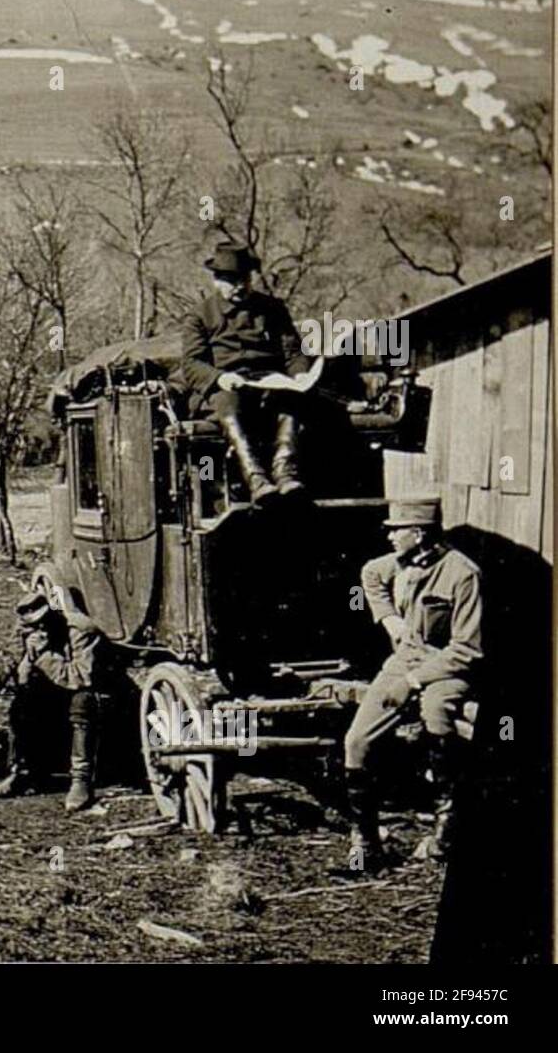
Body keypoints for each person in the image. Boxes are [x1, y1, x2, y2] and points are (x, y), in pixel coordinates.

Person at [344, 497, 483, 871]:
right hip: (404, 660)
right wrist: (390, 620)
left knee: (438, 717)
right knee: (356, 741)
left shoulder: (462, 574)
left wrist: (413, 680)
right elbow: (369, 575)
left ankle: (445, 838)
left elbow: (468, 649)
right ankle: (366, 845)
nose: (390, 537)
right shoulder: (397, 564)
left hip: (446, 668)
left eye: (397, 530)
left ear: (418, 533)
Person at [179, 242, 312, 504]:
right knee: (229, 403)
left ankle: (285, 472)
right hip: (224, 389)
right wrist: (221, 378)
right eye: (231, 280)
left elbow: (293, 352)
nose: (239, 286)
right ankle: (256, 478)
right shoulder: (200, 316)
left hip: (269, 383)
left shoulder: (273, 309)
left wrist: (300, 375)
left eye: (244, 279)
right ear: (217, 280)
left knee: (294, 400)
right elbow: (191, 364)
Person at [0, 589, 103, 812]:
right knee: (21, 705)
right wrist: (30, 657)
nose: (40, 627)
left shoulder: (80, 630)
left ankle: (81, 780)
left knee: (82, 702)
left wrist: (44, 656)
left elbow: (81, 677)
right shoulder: (36, 635)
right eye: (34, 624)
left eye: (43, 621)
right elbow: (24, 678)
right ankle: (21, 773)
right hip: (60, 685)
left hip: (96, 690)